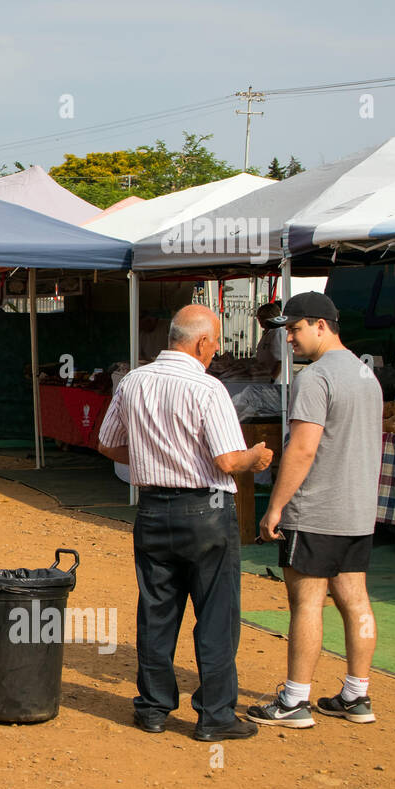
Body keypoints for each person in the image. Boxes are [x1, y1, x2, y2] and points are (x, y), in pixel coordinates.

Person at [98, 304, 273, 741]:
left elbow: (107, 444)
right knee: (216, 614)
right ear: (201, 343)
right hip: (207, 510)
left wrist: (149, 460)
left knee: (157, 610)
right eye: (215, 343)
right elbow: (228, 460)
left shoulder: (133, 382)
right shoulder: (208, 387)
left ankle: (153, 708)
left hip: (153, 509)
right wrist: (257, 457)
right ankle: (215, 716)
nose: (215, 352)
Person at [249, 292, 382, 728]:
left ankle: (294, 700)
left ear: (321, 325)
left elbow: (303, 450)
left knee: (306, 601)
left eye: (294, 328)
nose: (288, 337)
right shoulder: (366, 375)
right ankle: (356, 695)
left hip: (317, 511)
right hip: (357, 511)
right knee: (356, 601)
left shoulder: (316, 377)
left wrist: (276, 507)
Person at [252, 302, 287, 381]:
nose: (260, 320)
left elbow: (280, 361)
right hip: (264, 378)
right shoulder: (267, 333)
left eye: (263, 317)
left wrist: (272, 379)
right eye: (259, 317)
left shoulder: (277, 333)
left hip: (273, 382)